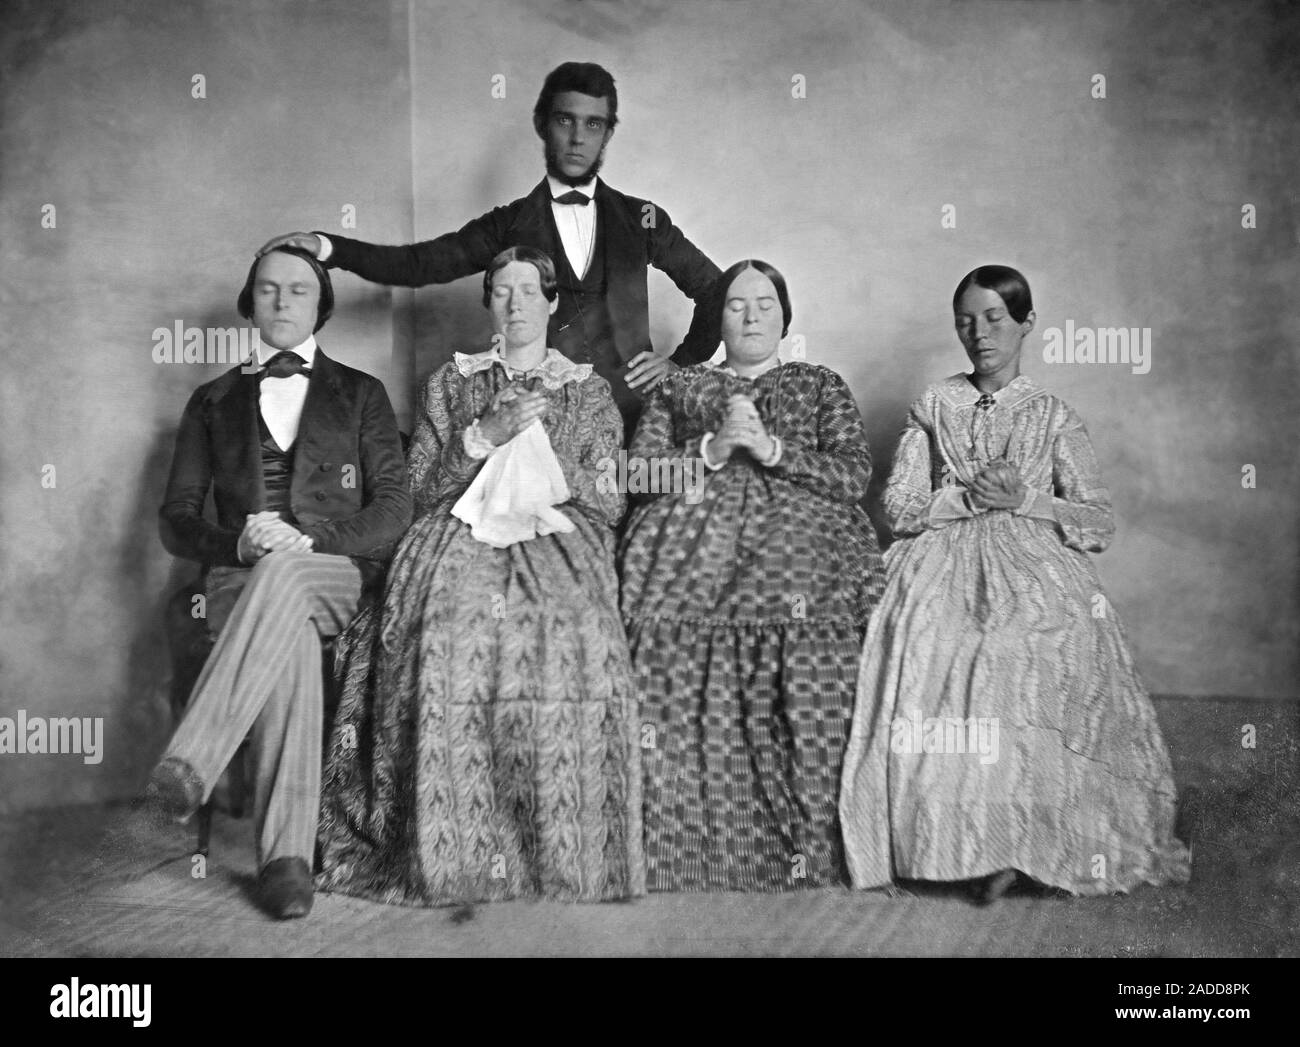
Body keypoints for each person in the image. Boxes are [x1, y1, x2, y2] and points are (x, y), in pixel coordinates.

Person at [838, 265, 1192, 903]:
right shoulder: (935, 405)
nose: (980, 333)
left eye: (995, 318)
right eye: (967, 321)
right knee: (930, 639)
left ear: (1027, 324)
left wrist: (1027, 498)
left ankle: (1028, 840)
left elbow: (1097, 521)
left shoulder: (1052, 414)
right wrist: (967, 500)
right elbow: (899, 506)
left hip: (1032, 558)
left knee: (1033, 641)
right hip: (943, 554)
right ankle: (954, 842)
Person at [314, 246, 644, 906]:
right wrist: (480, 438)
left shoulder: (588, 390)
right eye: (502, 291)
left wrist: (540, 459)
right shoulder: (451, 383)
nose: (516, 302)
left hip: (556, 533)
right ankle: (449, 847)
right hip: (455, 530)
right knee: (445, 624)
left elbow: (608, 499)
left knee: (574, 628)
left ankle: (556, 848)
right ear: (488, 302)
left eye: (530, 290)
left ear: (553, 303)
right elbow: (415, 490)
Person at [138, 247, 411, 919]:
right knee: (281, 623)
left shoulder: (362, 393)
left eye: (297, 289)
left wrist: (310, 540)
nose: (283, 301)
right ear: (250, 303)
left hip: (337, 575)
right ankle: (287, 860)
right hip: (242, 579)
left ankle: (194, 756)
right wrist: (236, 540)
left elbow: (393, 511)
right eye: (267, 290)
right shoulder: (212, 401)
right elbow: (175, 522)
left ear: (321, 304)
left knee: (289, 571)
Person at [257, 61, 721, 432]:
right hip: (533, 411)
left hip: (633, 411)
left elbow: (719, 291)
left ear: (608, 133)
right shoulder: (508, 224)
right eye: (565, 120)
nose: (579, 138)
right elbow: (418, 265)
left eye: (594, 125)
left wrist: (679, 363)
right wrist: (327, 246)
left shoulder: (642, 219)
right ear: (542, 124)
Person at [618, 260, 886, 891]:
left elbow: (853, 475)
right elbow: (639, 476)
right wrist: (710, 452)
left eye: (765, 303)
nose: (751, 315)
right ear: (717, 318)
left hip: (801, 547)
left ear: (785, 314)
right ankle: (680, 845)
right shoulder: (681, 388)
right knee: (666, 603)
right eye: (736, 305)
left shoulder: (818, 384)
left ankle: (807, 840)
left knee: (802, 600)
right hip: (691, 545)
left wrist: (771, 451)